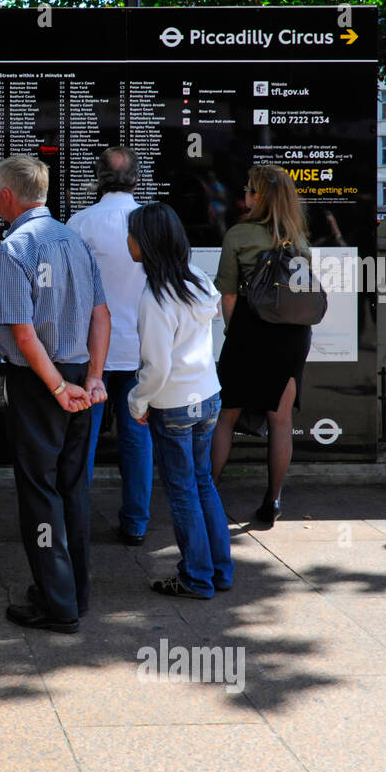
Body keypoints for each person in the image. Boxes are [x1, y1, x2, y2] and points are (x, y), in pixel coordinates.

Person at [0, 156, 110, 633]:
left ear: (5, 196)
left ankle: (56, 604)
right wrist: (94, 377)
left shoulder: (15, 248)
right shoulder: (76, 240)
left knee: (39, 491)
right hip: (81, 373)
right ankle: (74, 592)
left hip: (41, 381)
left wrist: (58, 387)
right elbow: (102, 316)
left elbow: (22, 334)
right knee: (72, 485)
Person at [125, 202, 234, 599]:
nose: (128, 241)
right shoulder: (198, 282)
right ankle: (219, 570)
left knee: (183, 489)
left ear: (148, 243)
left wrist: (138, 402)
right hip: (207, 395)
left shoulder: (155, 297)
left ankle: (196, 577)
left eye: (133, 234)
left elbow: (156, 366)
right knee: (203, 482)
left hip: (171, 404)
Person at [210, 164, 313, 526]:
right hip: (292, 334)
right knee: (280, 419)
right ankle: (273, 500)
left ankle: (210, 494)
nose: (245, 196)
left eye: (250, 190)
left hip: (248, 329)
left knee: (227, 415)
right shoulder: (298, 238)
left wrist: (233, 333)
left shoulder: (238, 235)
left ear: (261, 197)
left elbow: (228, 297)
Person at [66, 146, 153, 546]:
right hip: (141, 348)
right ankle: (136, 522)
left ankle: (76, 518)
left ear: (98, 179)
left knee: (84, 439)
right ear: (137, 179)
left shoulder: (80, 223)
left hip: (92, 352)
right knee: (136, 439)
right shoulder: (152, 222)